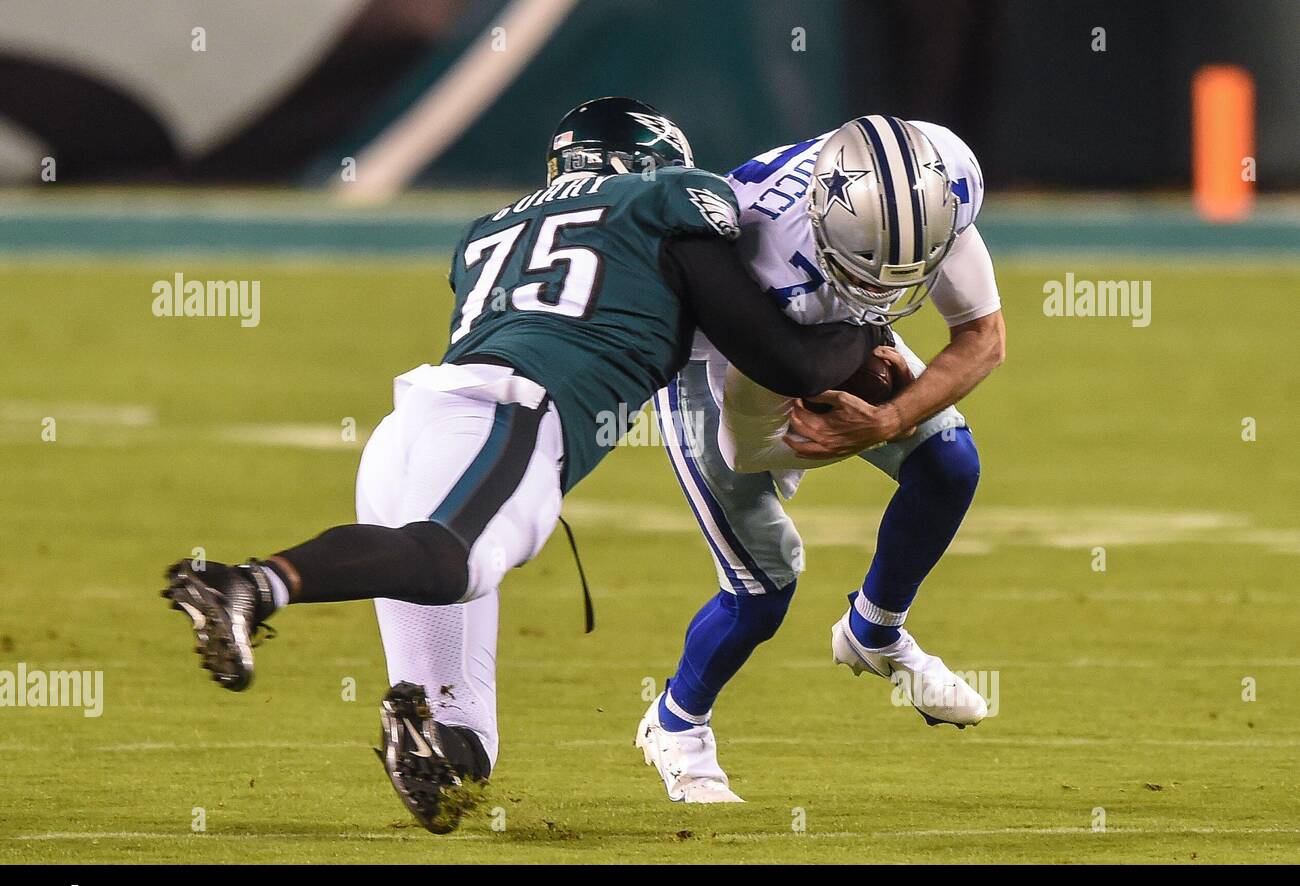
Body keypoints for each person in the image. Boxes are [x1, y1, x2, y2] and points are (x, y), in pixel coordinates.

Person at [160, 97, 877, 833]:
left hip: (416, 432)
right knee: (450, 562)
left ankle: (419, 735)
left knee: (463, 744)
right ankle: (249, 585)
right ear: (650, 164)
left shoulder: (490, 229)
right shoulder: (667, 200)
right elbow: (782, 358)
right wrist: (866, 326)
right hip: (510, 421)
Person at [639, 116, 1006, 803]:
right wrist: (859, 419)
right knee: (765, 581)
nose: (889, 292)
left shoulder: (935, 180)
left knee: (949, 462)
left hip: (825, 329)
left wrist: (893, 413)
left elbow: (983, 334)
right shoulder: (768, 267)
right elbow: (750, 451)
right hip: (718, 361)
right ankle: (676, 723)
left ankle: (874, 631)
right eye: (873, 270)